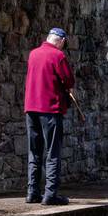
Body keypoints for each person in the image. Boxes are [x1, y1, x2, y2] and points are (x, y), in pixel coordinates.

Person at [24, 28, 77, 205]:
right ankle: (50, 194)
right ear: (61, 41)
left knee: (34, 152)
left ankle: (32, 192)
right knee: (52, 152)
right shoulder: (58, 56)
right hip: (50, 109)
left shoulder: (33, 54)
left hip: (31, 108)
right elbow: (69, 80)